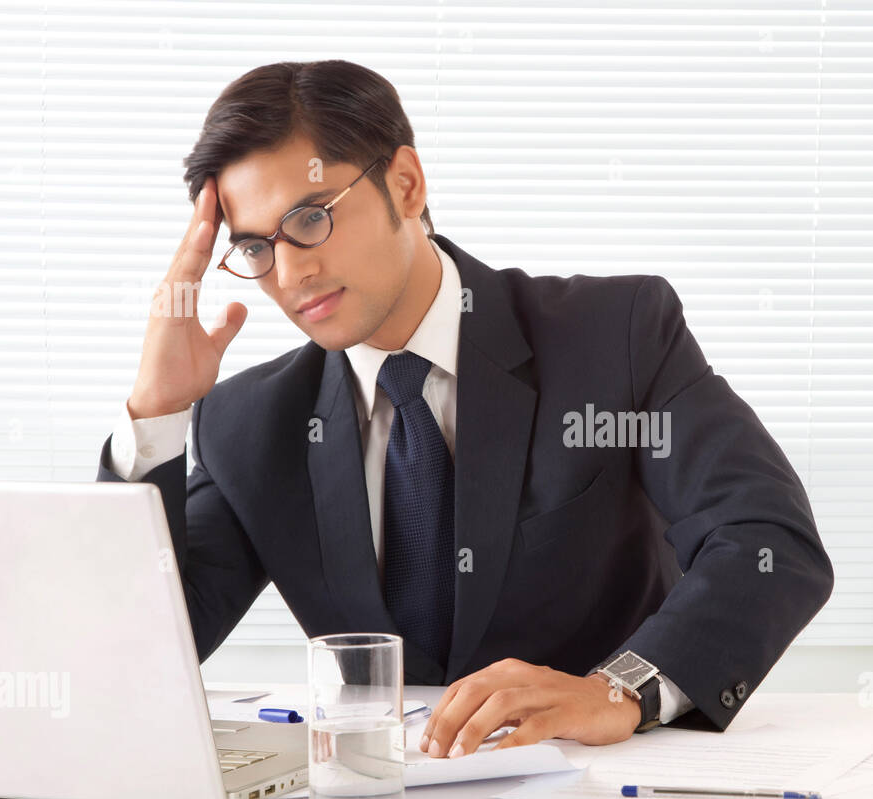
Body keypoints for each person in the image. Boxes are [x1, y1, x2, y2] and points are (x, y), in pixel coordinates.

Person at [96, 59, 833, 759]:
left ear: (406, 184)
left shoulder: (615, 336)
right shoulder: (250, 423)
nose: (290, 273)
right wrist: (157, 410)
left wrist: (619, 691)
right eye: (255, 248)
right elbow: (137, 651)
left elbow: (767, 541)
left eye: (311, 219)